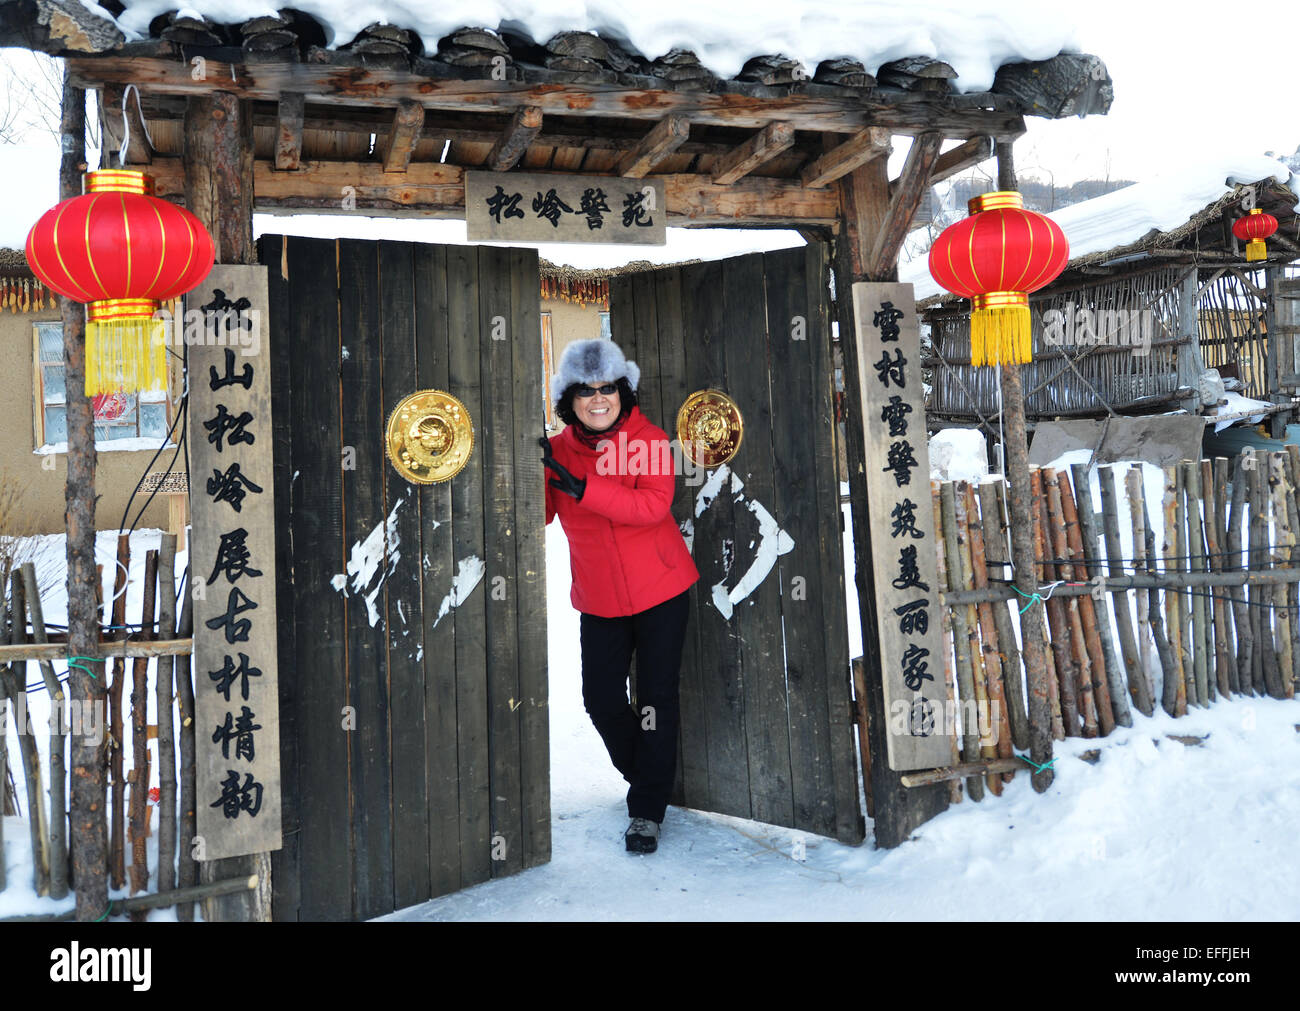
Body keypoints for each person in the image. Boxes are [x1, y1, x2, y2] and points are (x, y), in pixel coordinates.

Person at [541, 337, 699, 853]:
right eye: (585, 391)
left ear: (622, 390)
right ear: (569, 402)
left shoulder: (648, 439)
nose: (598, 398)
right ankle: (649, 777)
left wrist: (584, 488)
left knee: (656, 699)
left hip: (661, 589)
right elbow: (537, 514)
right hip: (599, 597)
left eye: (607, 387)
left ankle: (646, 811)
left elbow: (652, 507)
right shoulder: (557, 451)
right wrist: (523, 469)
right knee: (602, 700)